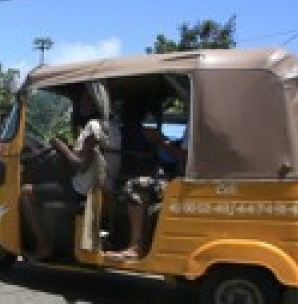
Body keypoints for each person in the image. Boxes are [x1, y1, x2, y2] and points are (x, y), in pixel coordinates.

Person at [19, 82, 118, 259]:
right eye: (81, 101)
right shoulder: (112, 126)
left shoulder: (93, 127)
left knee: (26, 192)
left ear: (97, 103)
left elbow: (81, 165)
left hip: (80, 189)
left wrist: (60, 146)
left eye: (88, 101)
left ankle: (43, 246)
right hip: (97, 186)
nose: (82, 104)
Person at [107, 96, 186, 260]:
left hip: (176, 182)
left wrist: (163, 143)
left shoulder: (118, 132)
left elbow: (179, 156)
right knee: (138, 185)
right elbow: (174, 157)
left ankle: (136, 246)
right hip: (163, 178)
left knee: (134, 186)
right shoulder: (147, 133)